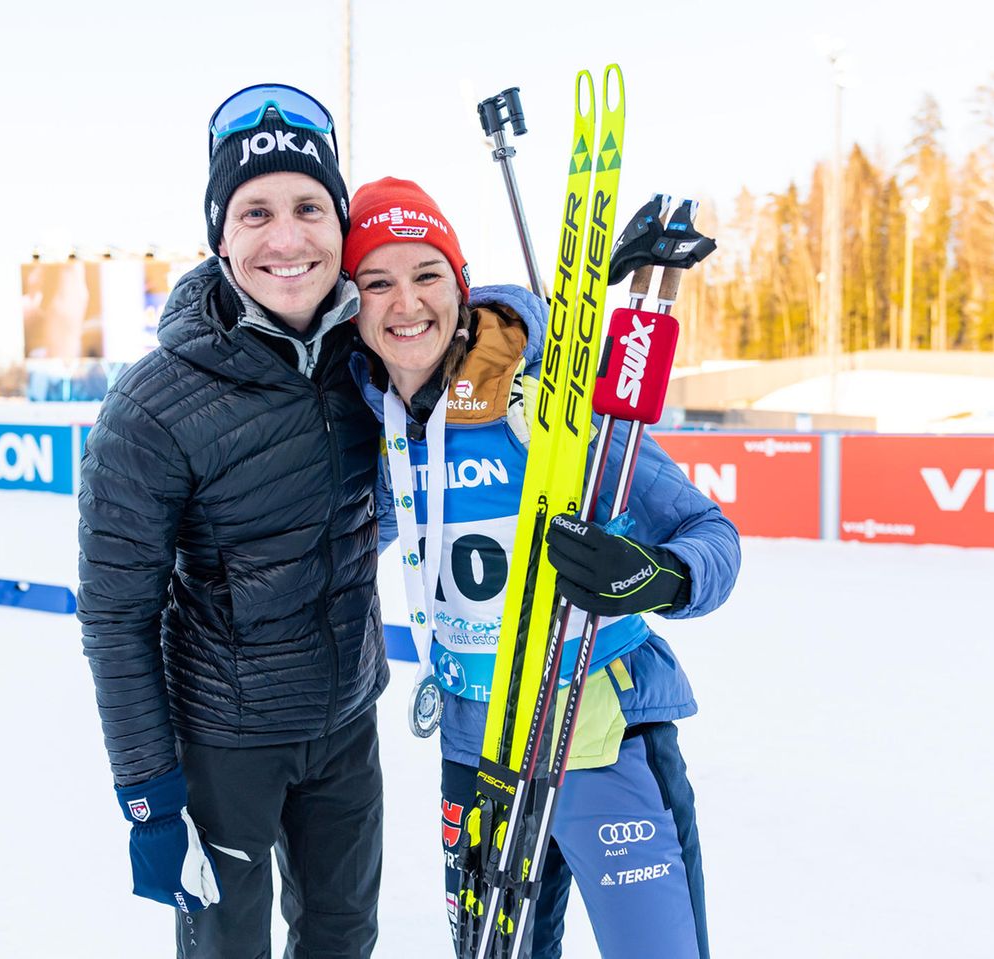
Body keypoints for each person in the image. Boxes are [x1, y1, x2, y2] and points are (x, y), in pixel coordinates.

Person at [344, 178, 741, 959]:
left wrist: (658, 574)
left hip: (598, 729)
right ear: (352, 307)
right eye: (376, 282)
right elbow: (334, 543)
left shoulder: (540, 403)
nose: (406, 303)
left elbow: (710, 534)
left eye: (427, 276)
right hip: (474, 743)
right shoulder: (381, 431)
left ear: (460, 288)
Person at [77, 83, 387, 959]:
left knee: (342, 937)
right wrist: (146, 788)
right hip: (225, 745)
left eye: (307, 207)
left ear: (340, 224)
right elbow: (114, 616)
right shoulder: (149, 406)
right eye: (255, 212)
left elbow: (459, 318)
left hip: (347, 723)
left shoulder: (375, 354)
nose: (286, 239)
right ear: (221, 235)